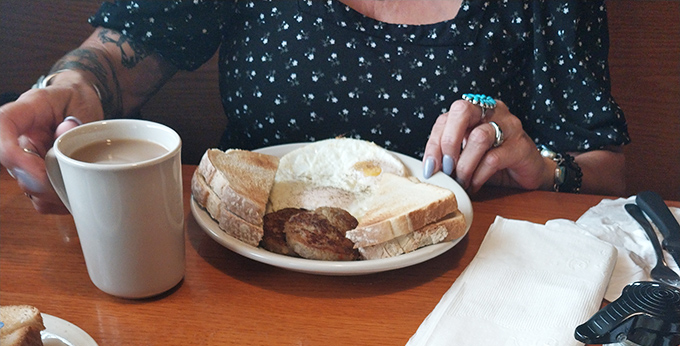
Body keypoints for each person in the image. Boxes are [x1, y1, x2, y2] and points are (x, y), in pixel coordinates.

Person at [0, 0, 628, 215]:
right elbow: (114, 60)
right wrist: (61, 92)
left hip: (460, 285)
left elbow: (607, 170)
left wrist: (545, 168)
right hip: (239, 264)